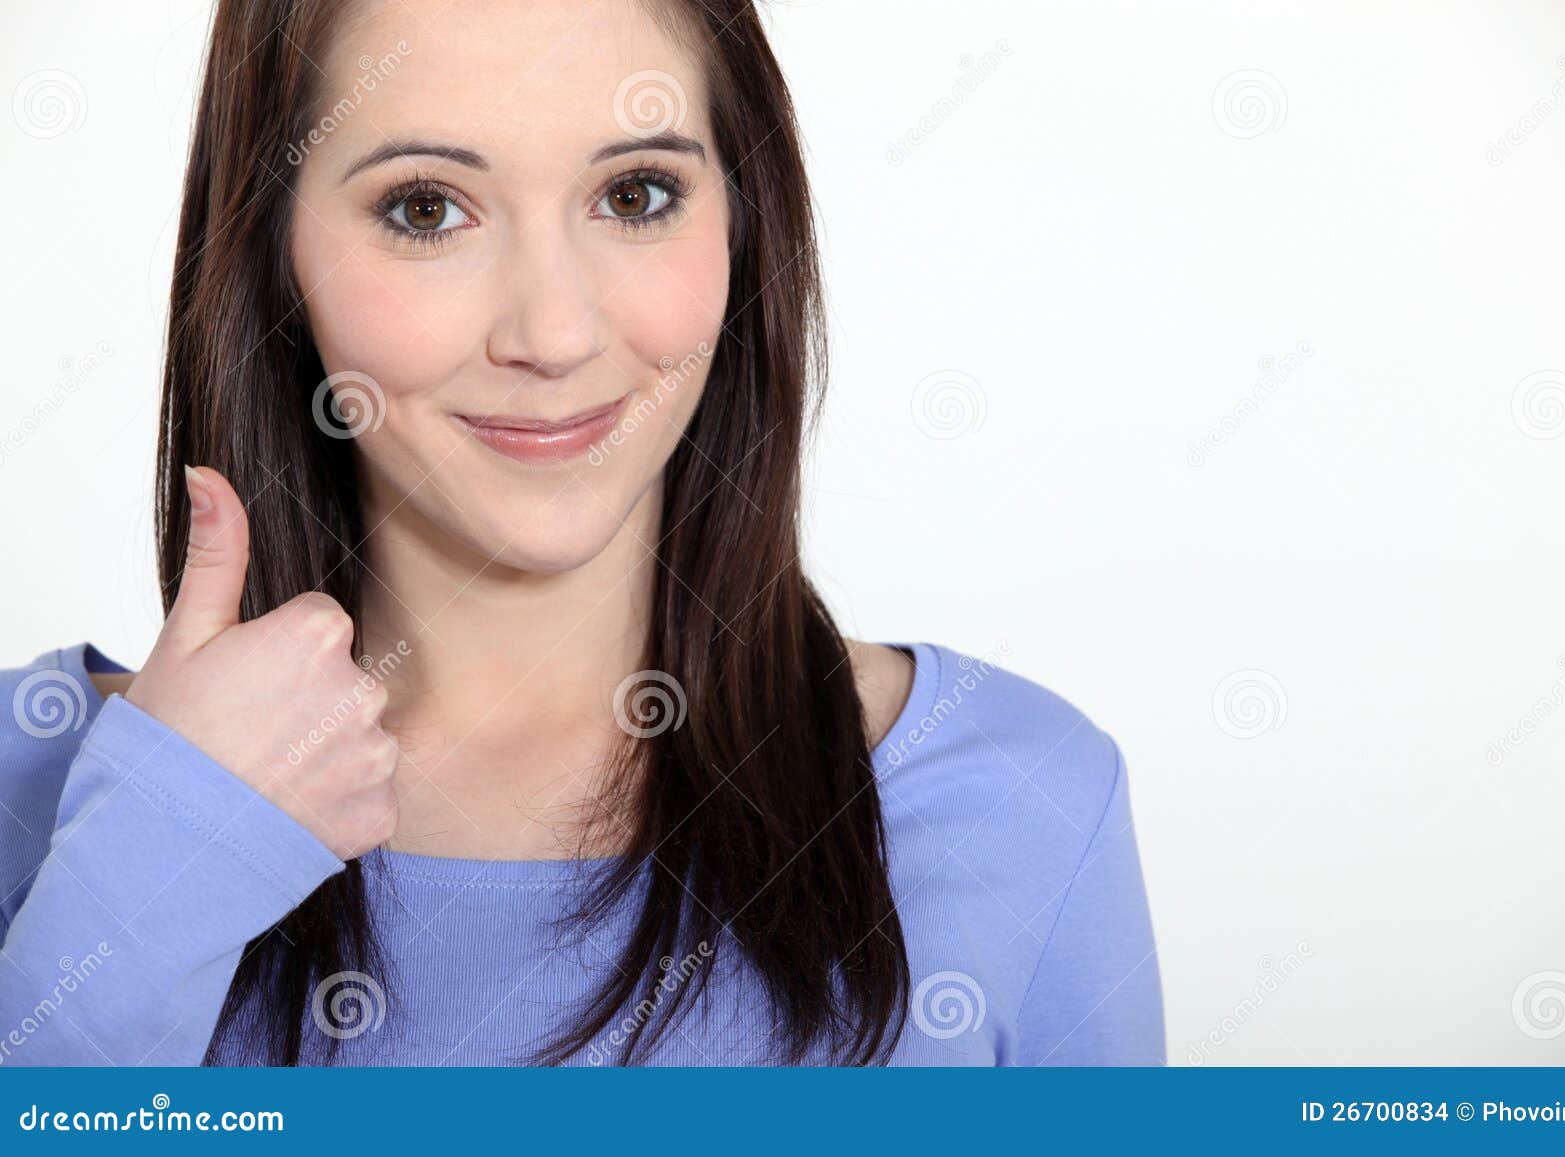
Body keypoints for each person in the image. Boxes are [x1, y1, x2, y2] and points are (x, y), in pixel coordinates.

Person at [0, 0, 1163, 1066]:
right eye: (425, 208)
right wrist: (154, 864)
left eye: (635, 195)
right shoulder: (29, 785)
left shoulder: (1022, 799)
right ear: (272, 254)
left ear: (746, 224)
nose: (553, 334)